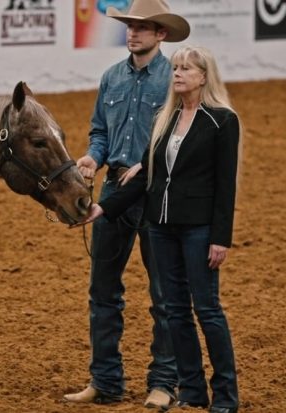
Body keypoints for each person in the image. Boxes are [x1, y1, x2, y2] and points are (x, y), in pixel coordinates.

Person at [81, 45, 241, 413]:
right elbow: (147, 178)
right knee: (177, 310)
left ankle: (226, 396)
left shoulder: (222, 121)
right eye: (177, 68)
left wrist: (220, 238)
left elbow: (225, 186)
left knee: (207, 310)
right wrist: (102, 208)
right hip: (162, 228)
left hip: (198, 229)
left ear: (204, 77)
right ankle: (193, 392)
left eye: (187, 69)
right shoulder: (165, 120)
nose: (178, 73)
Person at [64, 0, 190, 409]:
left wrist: (146, 164)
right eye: (130, 27)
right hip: (116, 189)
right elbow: (100, 130)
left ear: (161, 34)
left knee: (165, 294)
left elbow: (180, 140)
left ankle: (164, 383)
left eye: (143, 27)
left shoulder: (174, 82)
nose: (132, 33)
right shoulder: (111, 78)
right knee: (102, 291)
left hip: (159, 194)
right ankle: (105, 380)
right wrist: (93, 157)